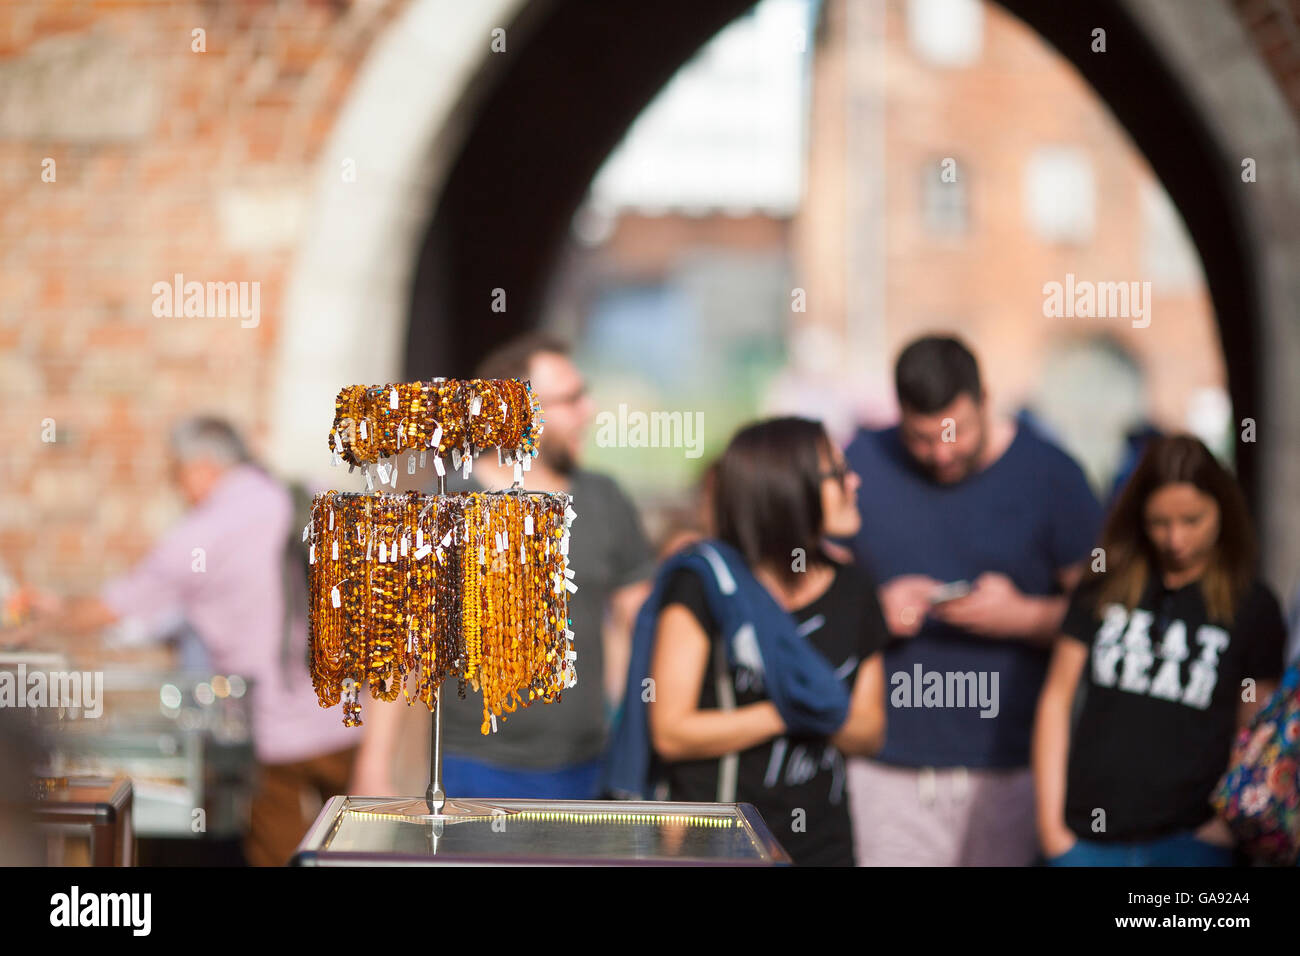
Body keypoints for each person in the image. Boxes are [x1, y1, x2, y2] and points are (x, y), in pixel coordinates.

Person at [6, 417, 358, 866]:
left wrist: (44, 614)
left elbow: (115, 608)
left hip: (271, 739)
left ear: (202, 468)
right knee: (360, 851)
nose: (179, 490)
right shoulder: (310, 492)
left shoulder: (202, 535)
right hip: (346, 720)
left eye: (177, 475)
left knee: (279, 855)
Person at [352, 332, 655, 799]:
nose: (588, 410)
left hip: (592, 767)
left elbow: (642, 620)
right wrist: (373, 767)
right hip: (473, 769)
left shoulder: (604, 497)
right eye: (570, 399)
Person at [842, 334, 1102, 866]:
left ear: (986, 398)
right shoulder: (860, 461)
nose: (942, 453)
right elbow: (811, 587)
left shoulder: (1053, 475)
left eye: (956, 433)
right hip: (886, 769)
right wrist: (874, 609)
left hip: (1010, 768)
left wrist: (1023, 617)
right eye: (921, 438)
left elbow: (1106, 617)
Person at [609, 417, 888, 866]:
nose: (855, 481)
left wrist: (800, 707)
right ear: (788, 490)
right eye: (838, 474)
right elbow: (672, 732)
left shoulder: (855, 589)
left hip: (823, 843)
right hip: (720, 844)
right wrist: (789, 709)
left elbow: (869, 731)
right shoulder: (706, 584)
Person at [1033, 434, 1287, 866]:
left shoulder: (1251, 604)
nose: (1175, 539)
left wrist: (1224, 828)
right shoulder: (1104, 581)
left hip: (1192, 841)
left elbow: (1257, 728)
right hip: (1089, 838)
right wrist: (1051, 830)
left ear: (1222, 510)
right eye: (1159, 522)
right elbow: (1057, 699)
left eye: (1192, 520)